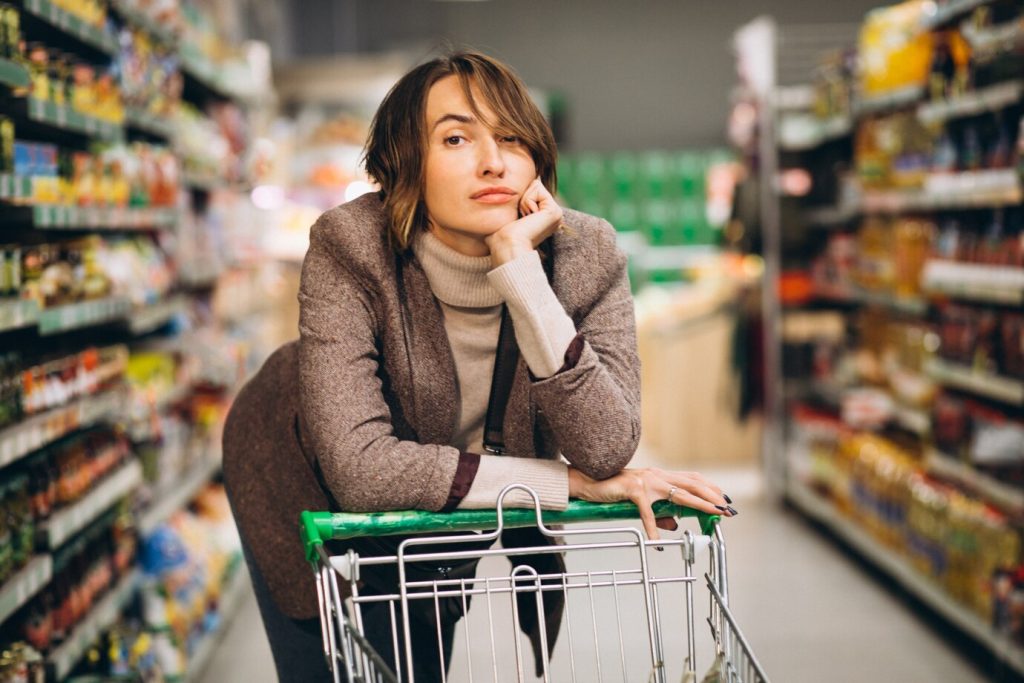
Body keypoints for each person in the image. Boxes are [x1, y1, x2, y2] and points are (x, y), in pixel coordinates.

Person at [222, 50, 736, 683]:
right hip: (301, 474)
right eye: (457, 137)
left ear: (539, 164)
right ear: (404, 167)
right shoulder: (349, 246)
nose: (493, 161)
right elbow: (362, 471)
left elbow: (607, 446)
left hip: (446, 496)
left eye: (513, 138)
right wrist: (563, 484)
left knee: (422, 655)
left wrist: (523, 276)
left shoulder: (586, 254)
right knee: (345, 667)